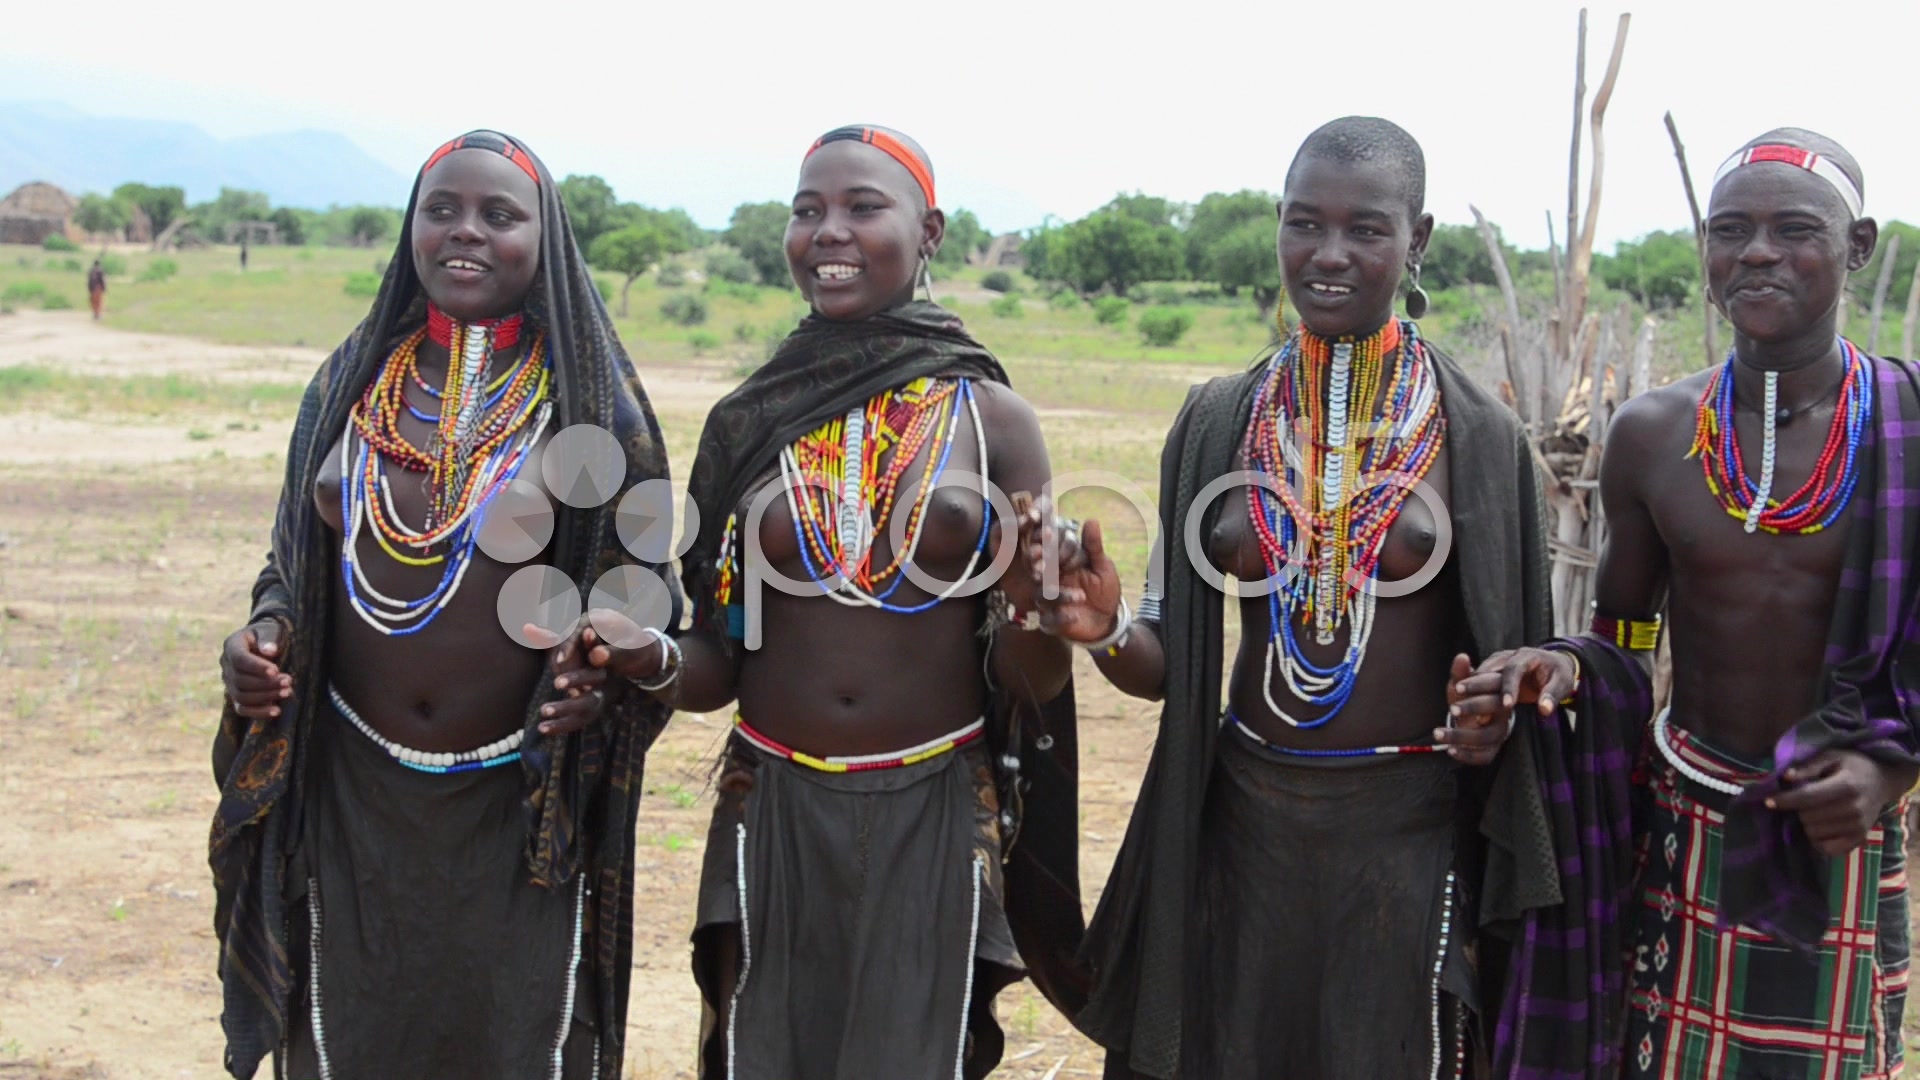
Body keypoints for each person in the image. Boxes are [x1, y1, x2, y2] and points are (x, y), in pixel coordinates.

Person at [546, 123, 1083, 1079]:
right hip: (774, 802)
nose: (828, 232)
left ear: (931, 233)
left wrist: (1035, 605)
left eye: (862, 208)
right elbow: (717, 662)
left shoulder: (990, 417)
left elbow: (1025, 677)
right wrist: (648, 655)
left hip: (934, 802)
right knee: (767, 1055)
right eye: (808, 211)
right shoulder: (750, 423)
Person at [1036, 116, 1558, 1079]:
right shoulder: (1219, 421)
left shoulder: (1476, 436)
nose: (1328, 255)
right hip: (1241, 826)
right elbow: (1169, 665)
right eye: (1301, 223)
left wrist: (1497, 716)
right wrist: (1106, 630)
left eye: (1366, 229)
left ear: (1419, 241)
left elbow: (1527, 665)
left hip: (1403, 833)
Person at [1453, 129, 1920, 1080]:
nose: (1758, 252)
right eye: (1731, 230)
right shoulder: (1655, 434)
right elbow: (1623, 636)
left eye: (1796, 229)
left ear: (1859, 245)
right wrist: (1562, 665)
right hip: (1685, 818)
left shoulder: (1906, 433)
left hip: (1843, 823)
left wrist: (1891, 772)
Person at [210, 130, 676, 1080]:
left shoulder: (593, 406)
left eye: (500, 215)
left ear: (545, 241)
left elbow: (645, 607)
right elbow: (289, 566)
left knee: (513, 1040)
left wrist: (602, 676)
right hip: (349, 788)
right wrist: (263, 636)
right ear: (409, 228)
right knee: (349, 1038)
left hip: (516, 804)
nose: (466, 232)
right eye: (442, 209)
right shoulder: (348, 386)